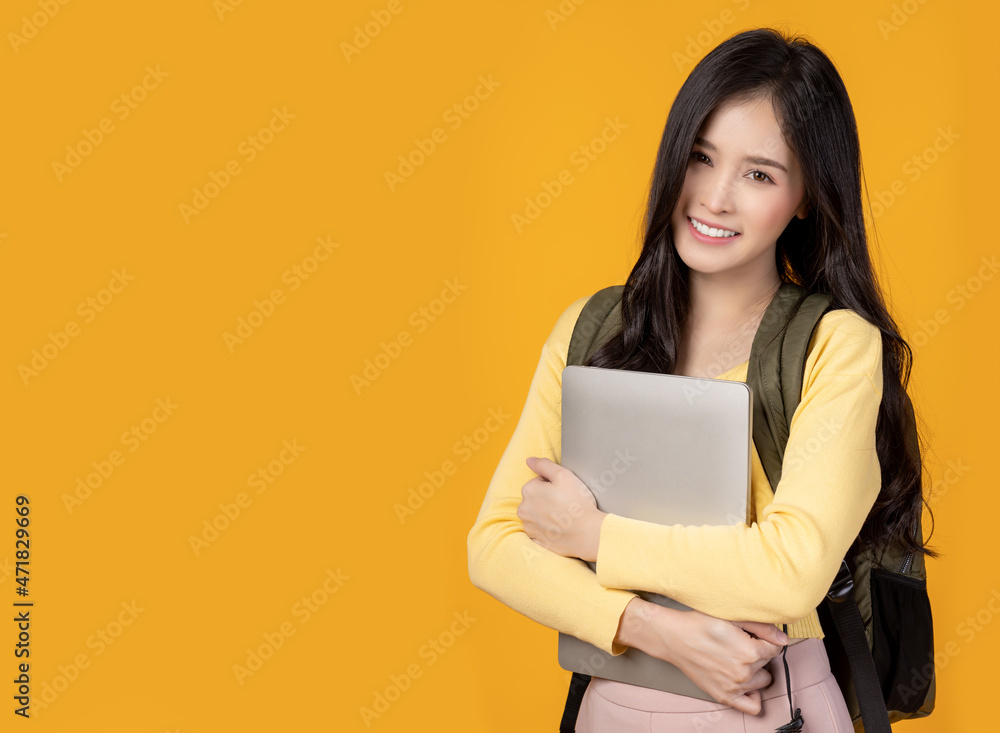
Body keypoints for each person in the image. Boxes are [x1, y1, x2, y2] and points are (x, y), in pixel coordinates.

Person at [467, 27, 930, 733]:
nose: (713, 198)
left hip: (769, 705)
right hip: (611, 704)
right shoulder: (593, 329)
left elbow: (790, 569)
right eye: (700, 156)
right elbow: (493, 544)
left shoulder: (833, 346)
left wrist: (592, 534)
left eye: (759, 174)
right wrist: (654, 629)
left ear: (806, 197)